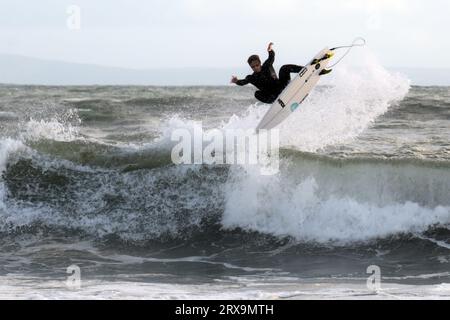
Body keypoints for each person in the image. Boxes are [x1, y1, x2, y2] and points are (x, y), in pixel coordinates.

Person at [231, 42, 331, 104]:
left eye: (257, 65)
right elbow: (243, 82)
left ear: (260, 63)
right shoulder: (251, 77)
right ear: (251, 67)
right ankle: (275, 103)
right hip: (273, 96)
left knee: (284, 68)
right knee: (256, 94)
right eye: (253, 67)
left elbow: (271, 57)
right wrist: (236, 81)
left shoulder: (266, 65)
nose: (256, 68)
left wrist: (270, 50)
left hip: (282, 86)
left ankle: (308, 69)